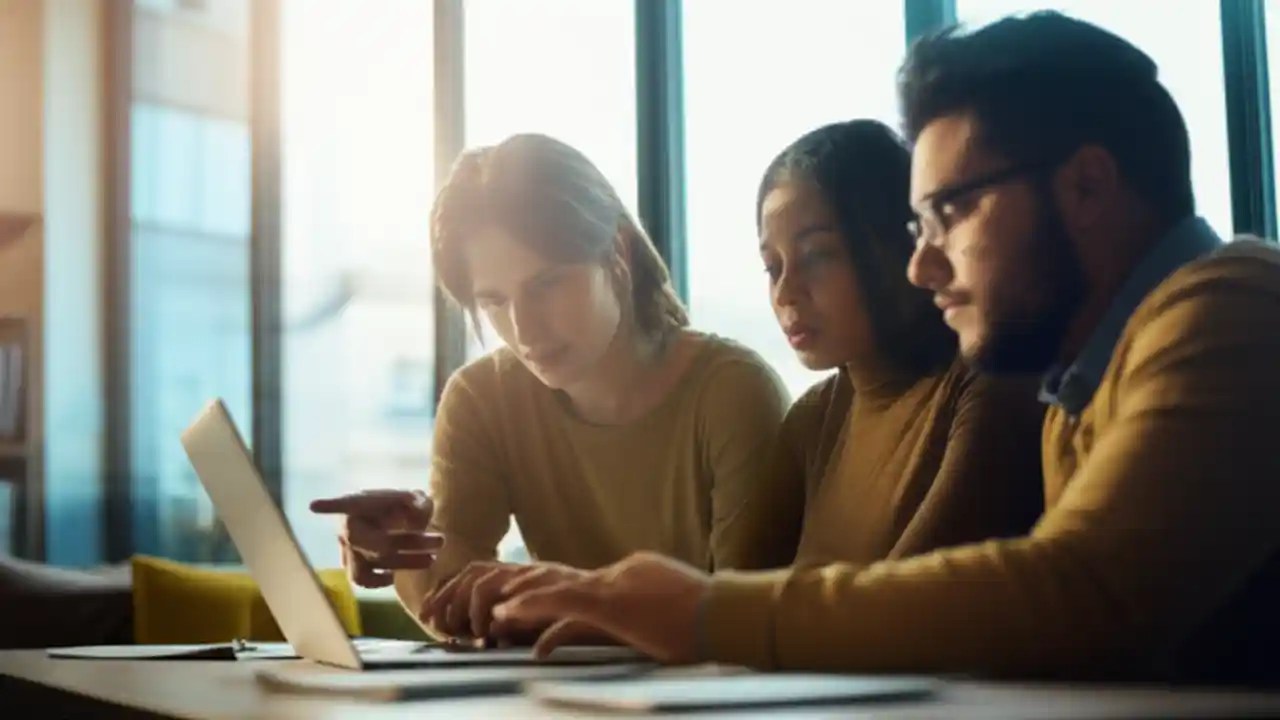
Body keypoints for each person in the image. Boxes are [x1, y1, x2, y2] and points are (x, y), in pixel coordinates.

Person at [491, 13, 1280, 686]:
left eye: (951, 213)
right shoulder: (1080, 383)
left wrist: (699, 612)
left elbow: (1084, 592)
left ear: (1086, 187)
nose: (922, 266)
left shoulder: (1230, 307)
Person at [311, 133, 790, 640]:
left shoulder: (733, 394)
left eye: (546, 285)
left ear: (618, 252)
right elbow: (456, 611)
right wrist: (410, 547)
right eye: (494, 301)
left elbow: (741, 620)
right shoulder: (483, 399)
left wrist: (560, 602)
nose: (525, 329)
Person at [719, 119, 1042, 572]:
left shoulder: (984, 387)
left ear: (895, 245)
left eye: (815, 255)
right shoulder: (813, 420)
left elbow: (908, 607)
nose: (786, 292)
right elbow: (724, 603)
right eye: (773, 267)